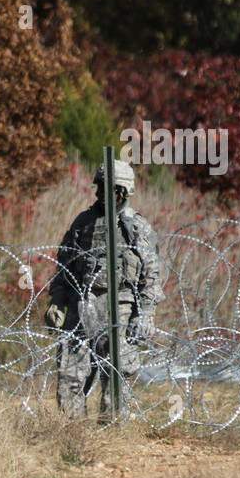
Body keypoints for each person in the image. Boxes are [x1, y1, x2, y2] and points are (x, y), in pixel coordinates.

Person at [44, 153, 163, 418]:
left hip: (120, 307)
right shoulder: (83, 223)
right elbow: (64, 266)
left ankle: (112, 436)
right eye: (98, 186)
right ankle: (71, 436)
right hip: (82, 305)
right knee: (70, 374)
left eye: (105, 188)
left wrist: (146, 315)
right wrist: (57, 301)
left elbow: (151, 276)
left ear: (121, 192)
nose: (99, 193)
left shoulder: (137, 227)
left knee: (117, 377)